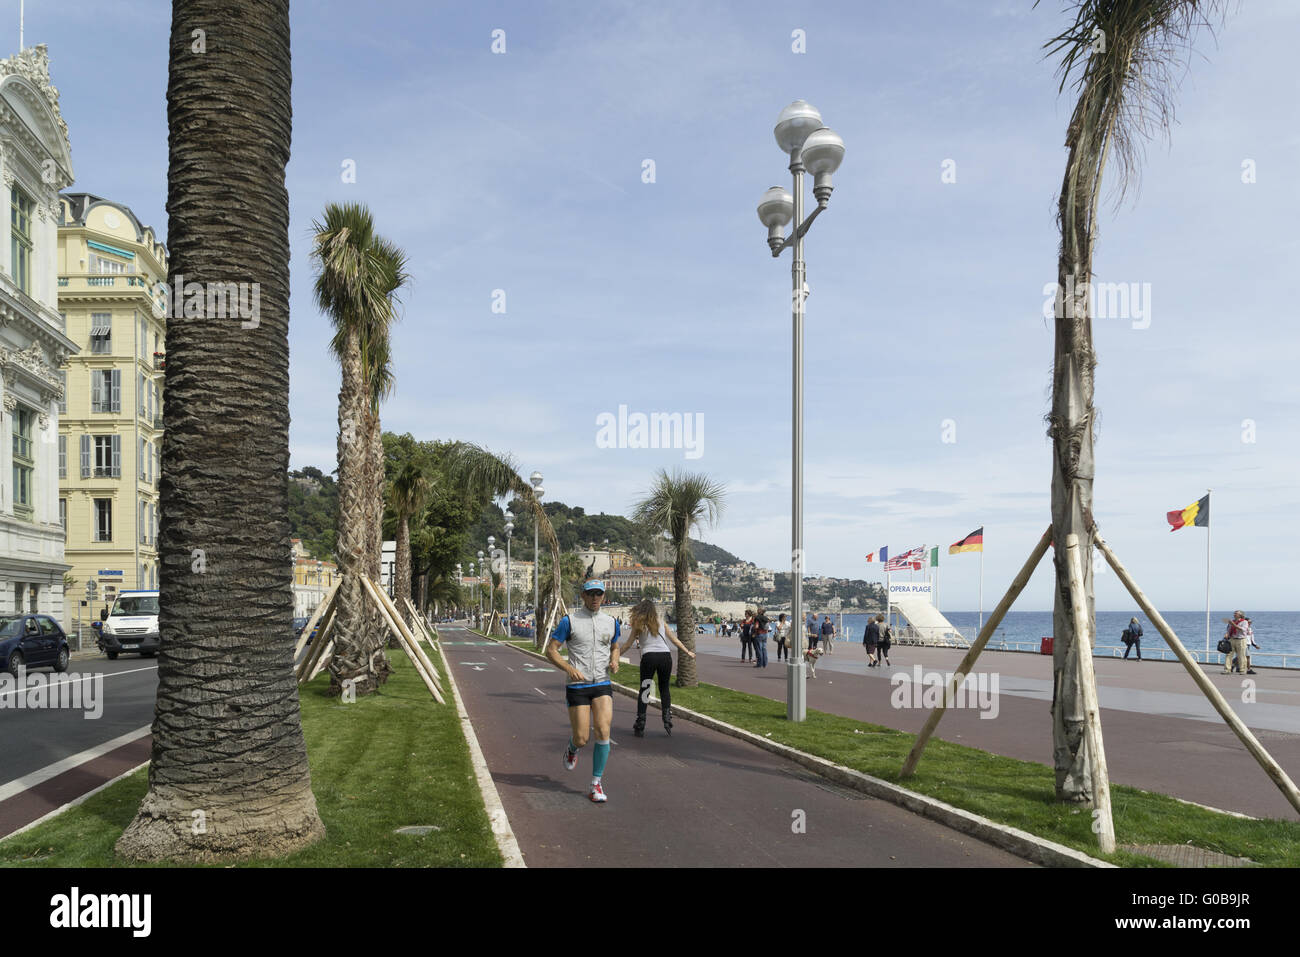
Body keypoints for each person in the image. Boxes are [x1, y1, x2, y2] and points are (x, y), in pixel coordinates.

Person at [546, 579, 622, 803]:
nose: (595, 598)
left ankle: (595, 783)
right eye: (591, 594)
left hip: (602, 683)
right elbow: (551, 651)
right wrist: (569, 668)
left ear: (604, 596)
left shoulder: (611, 622)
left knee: (603, 731)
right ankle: (572, 748)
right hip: (578, 685)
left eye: (599, 594)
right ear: (583, 596)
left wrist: (615, 661)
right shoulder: (569, 621)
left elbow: (615, 646)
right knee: (582, 738)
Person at [620, 598, 695, 738]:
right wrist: (687, 652)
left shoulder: (638, 624)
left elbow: (627, 645)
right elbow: (674, 640)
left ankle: (641, 721)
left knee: (645, 688)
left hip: (649, 657)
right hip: (665, 657)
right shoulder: (661, 622)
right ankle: (667, 718)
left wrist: (614, 656)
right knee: (664, 688)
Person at [1223, 610, 1257, 675]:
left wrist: (1233, 624)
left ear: (1240, 615)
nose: (1234, 614)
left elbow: (1242, 629)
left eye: (1236, 613)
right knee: (1229, 655)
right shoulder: (1232, 621)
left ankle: (1242, 670)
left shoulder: (1244, 622)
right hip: (1232, 639)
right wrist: (1227, 635)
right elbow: (1228, 630)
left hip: (1241, 639)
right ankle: (1227, 669)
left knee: (1241, 655)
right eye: (1234, 613)